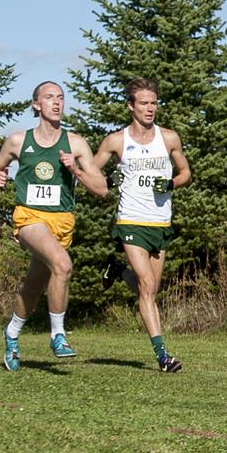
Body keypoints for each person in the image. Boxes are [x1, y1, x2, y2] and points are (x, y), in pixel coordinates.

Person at [81, 78, 191, 372]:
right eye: (143, 103)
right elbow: (90, 173)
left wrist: (170, 182)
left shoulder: (169, 138)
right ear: (131, 106)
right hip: (129, 218)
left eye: (154, 102)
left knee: (150, 289)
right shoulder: (116, 141)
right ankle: (163, 356)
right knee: (147, 285)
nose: (150, 108)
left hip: (160, 221)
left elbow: (186, 174)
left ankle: (117, 271)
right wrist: (107, 181)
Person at [0, 81, 88, 369]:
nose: (57, 103)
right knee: (63, 265)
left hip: (62, 222)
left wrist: (75, 169)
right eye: (49, 97)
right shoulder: (19, 140)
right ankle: (58, 335)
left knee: (33, 286)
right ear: (36, 104)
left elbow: (100, 186)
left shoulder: (76, 143)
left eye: (61, 98)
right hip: (29, 217)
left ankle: (12, 333)